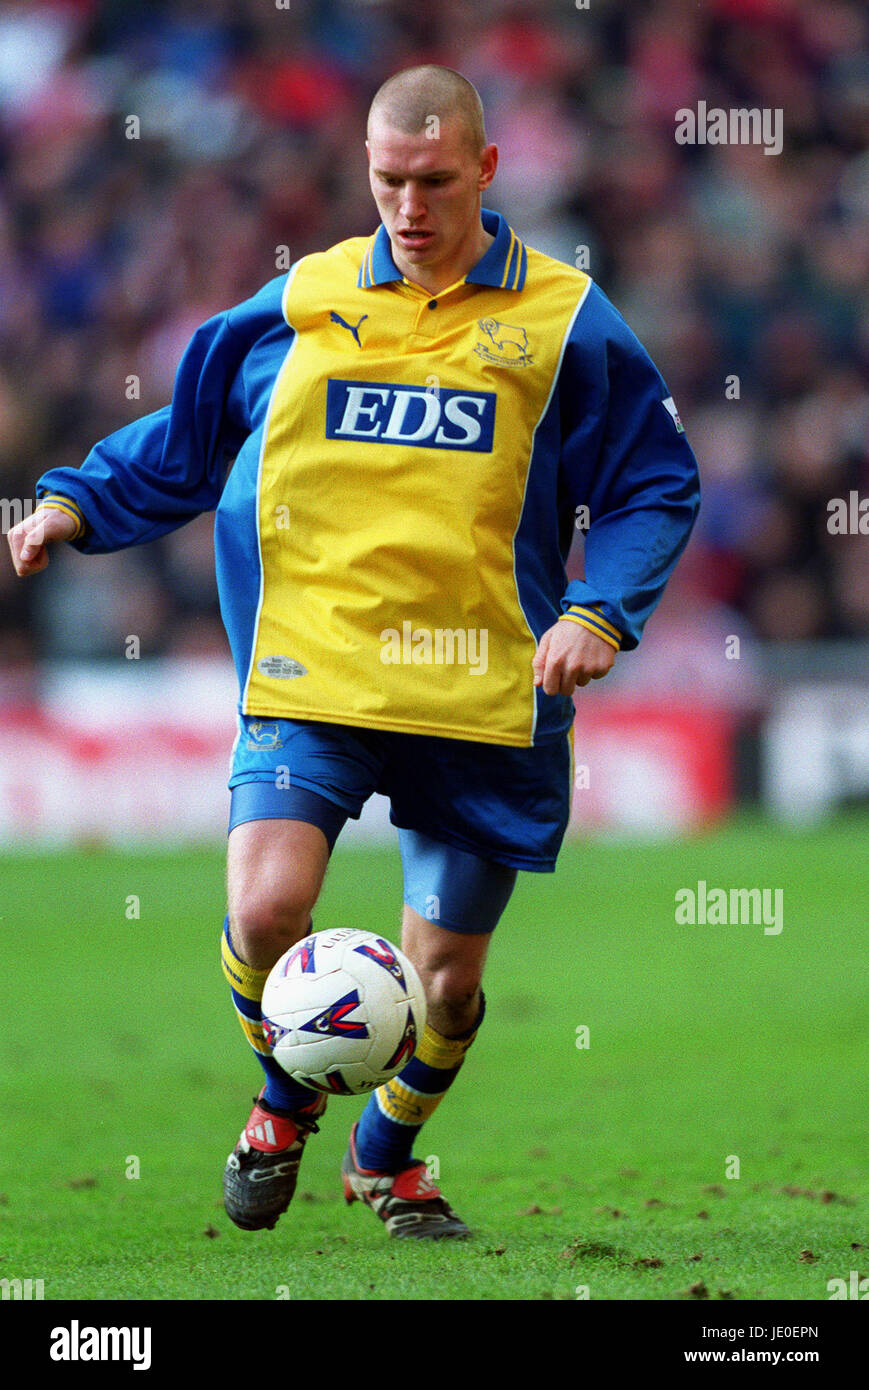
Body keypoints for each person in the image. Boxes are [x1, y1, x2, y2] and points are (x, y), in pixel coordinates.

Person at [7, 65, 700, 1241]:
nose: (409, 207)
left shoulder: (569, 319)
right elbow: (186, 437)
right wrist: (75, 503)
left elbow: (651, 484)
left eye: (433, 182)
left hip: (484, 694)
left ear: (485, 168)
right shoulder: (304, 299)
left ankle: (383, 1157)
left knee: (443, 986)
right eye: (386, 181)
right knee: (269, 906)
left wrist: (600, 611)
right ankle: (281, 1112)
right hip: (315, 671)